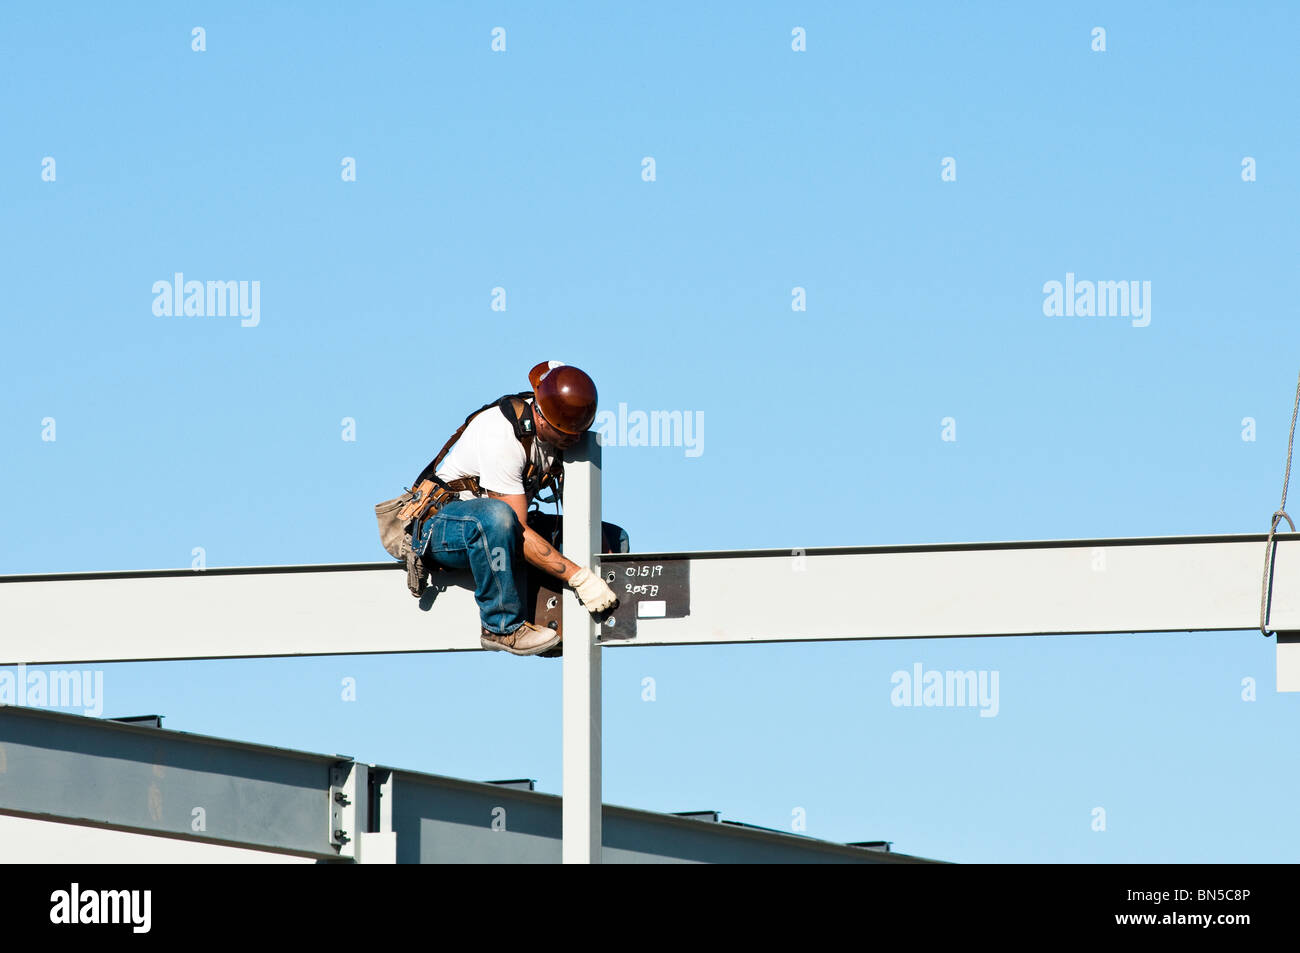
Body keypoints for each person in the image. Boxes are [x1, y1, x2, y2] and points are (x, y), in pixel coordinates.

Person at [408, 361, 618, 656]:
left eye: (578, 433)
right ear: (542, 418)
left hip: (496, 529)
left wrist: (599, 552)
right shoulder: (502, 434)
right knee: (497, 517)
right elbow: (515, 534)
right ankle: (501, 627)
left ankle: (569, 627)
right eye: (566, 435)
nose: (574, 441)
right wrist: (578, 577)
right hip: (444, 528)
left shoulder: (560, 423)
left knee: (613, 537)